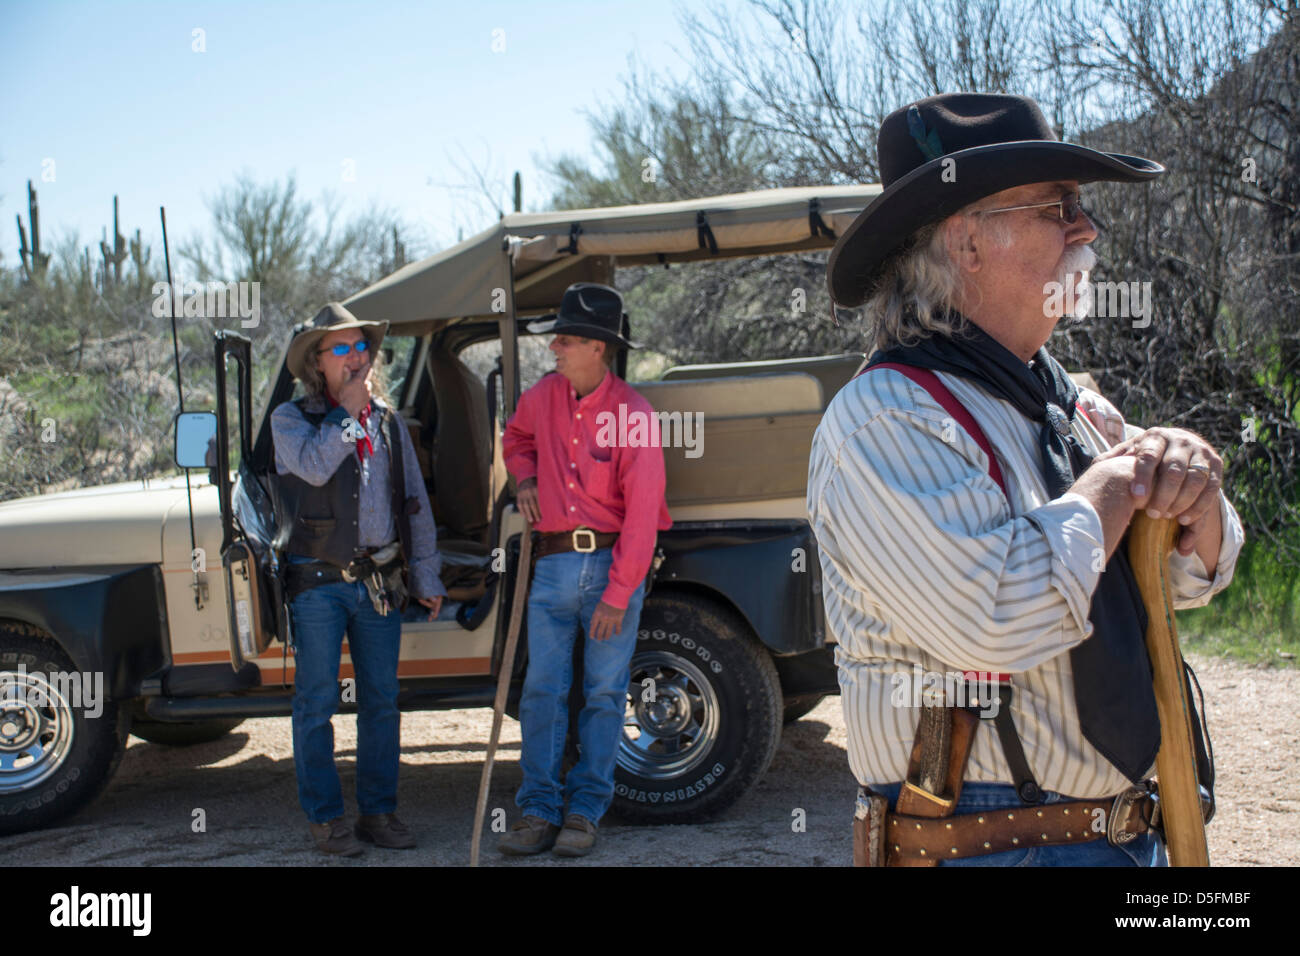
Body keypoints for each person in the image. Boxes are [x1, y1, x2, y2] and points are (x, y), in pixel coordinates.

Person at [807, 93, 1244, 866]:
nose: (1087, 228)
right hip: (988, 843)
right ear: (966, 242)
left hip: (1111, 832)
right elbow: (994, 620)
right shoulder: (885, 420)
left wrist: (1193, 496)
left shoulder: (1063, 400)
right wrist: (1112, 490)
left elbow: (1178, 578)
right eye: (1058, 207)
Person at [497, 283, 671, 858]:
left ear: (598, 347)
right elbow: (516, 439)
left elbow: (643, 516)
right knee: (543, 691)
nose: (555, 349)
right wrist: (523, 476)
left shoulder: (634, 416)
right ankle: (538, 809)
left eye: (565, 340)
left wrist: (619, 594)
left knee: (603, 692)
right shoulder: (541, 397)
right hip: (548, 566)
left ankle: (585, 811)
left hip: (609, 568)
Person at [271, 302, 447, 857]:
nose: (355, 358)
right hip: (316, 582)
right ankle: (326, 820)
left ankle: (378, 813)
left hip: (379, 582)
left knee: (381, 701)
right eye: (341, 349)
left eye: (360, 347)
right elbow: (317, 467)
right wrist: (348, 415)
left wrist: (425, 573)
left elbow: (413, 502)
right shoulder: (290, 420)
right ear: (316, 363)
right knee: (316, 703)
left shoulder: (390, 423)